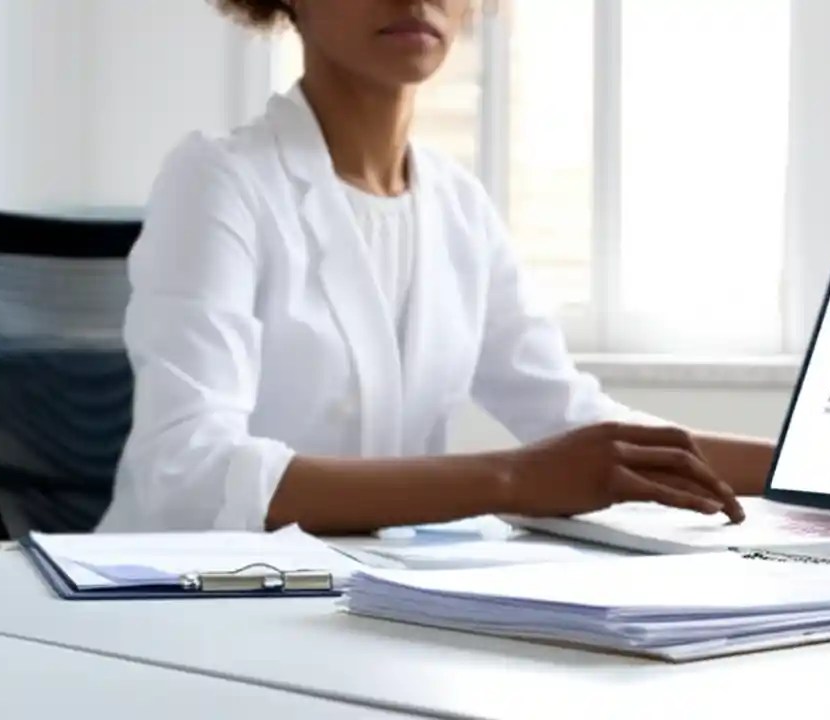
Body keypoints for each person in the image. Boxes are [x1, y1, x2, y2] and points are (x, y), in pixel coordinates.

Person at [96, 0, 776, 535]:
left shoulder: (458, 206)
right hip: (177, 602)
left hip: (356, 604)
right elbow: (186, 471)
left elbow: (579, 425)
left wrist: (816, 470)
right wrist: (512, 481)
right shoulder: (220, 181)